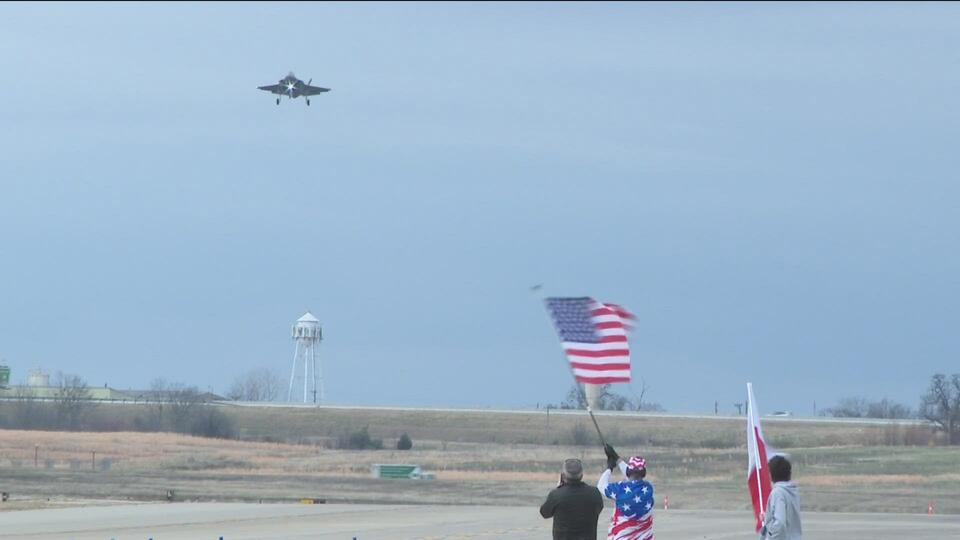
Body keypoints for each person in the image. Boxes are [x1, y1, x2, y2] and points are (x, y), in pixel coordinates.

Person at [597, 444, 654, 540]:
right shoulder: (648, 489)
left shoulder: (619, 489)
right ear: (644, 473)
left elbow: (601, 485)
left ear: (629, 472)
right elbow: (633, 476)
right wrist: (616, 458)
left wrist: (609, 468)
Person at [540, 458, 604, 540]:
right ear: (581, 475)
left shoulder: (556, 495)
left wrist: (558, 489)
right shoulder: (594, 493)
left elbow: (544, 513)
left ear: (563, 476)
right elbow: (599, 509)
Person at [760, 455, 802, 539]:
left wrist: (770, 537)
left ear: (771, 474)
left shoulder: (778, 493)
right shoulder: (792, 491)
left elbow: (780, 522)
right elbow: (787, 517)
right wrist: (767, 517)